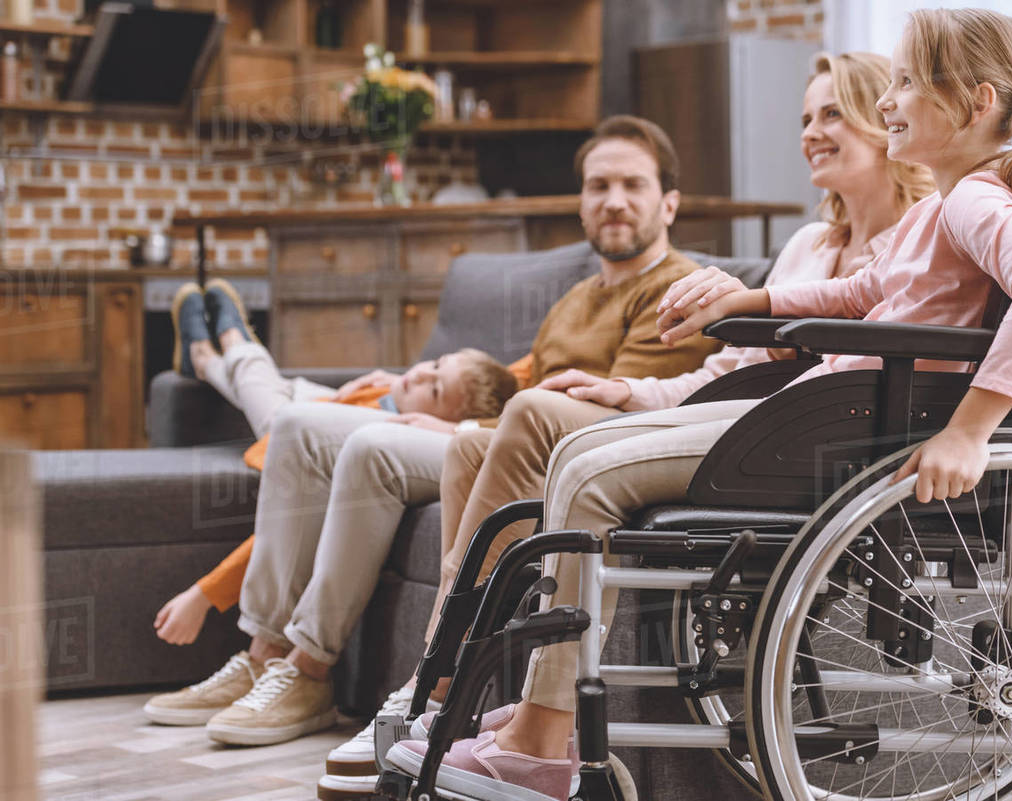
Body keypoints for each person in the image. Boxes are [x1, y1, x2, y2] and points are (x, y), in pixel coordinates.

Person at [387, 10, 1012, 801]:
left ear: (971, 104)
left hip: (853, 434)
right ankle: (538, 718)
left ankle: (544, 739)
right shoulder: (943, 204)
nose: (887, 100)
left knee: (589, 477)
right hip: (830, 414)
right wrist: (753, 295)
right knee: (574, 453)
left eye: (902, 83)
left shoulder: (974, 204)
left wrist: (971, 430)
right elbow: (863, 290)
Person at [315, 50, 936, 798]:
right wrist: (629, 392)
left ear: (883, 118)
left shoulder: (920, 238)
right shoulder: (806, 247)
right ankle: (454, 677)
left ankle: (463, 692)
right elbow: (721, 374)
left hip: (809, 440)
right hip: (747, 418)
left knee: (556, 435)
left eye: (832, 112)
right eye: (806, 116)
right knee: (499, 439)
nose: (811, 131)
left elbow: (864, 358)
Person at [143, 115, 721, 748]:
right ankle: (264, 652)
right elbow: (528, 378)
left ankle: (311, 670)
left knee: (369, 449)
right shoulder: (579, 295)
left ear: (668, 202)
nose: (613, 201)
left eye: (632, 185)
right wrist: (431, 394)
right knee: (300, 427)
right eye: (598, 185)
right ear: (580, 200)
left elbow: (600, 420)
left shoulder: (675, 291)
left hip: (548, 454)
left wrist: (468, 422)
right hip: (501, 435)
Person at [152, 277, 518, 646]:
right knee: (274, 394)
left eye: (435, 390)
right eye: (435, 364)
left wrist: (206, 593)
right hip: (332, 402)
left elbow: (292, 524)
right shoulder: (389, 389)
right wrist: (391, 384)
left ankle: (223, 348)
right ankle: (213, 356)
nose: (421, 373)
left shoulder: (380, 442)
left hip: (317, 422)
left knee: (280, 412)